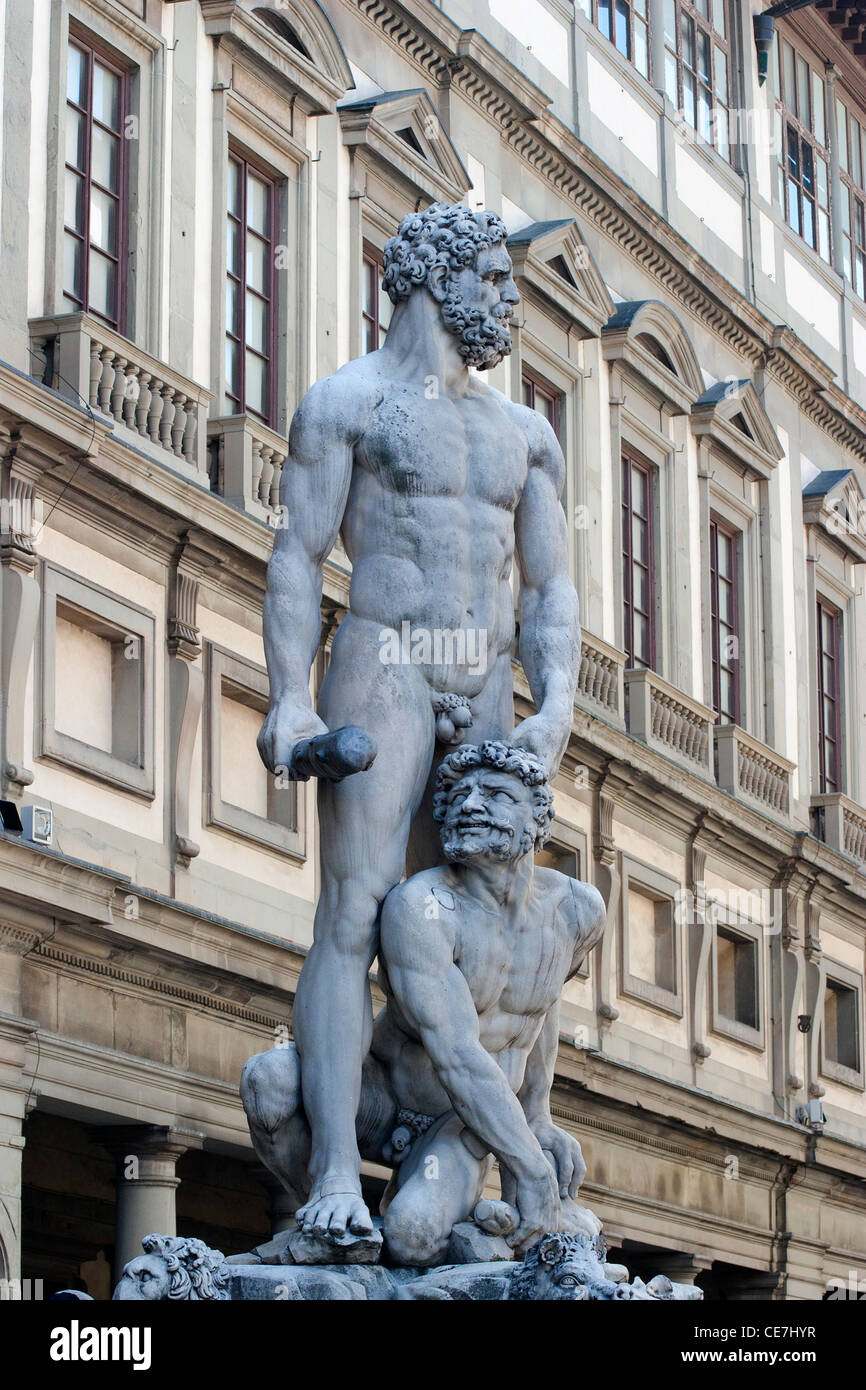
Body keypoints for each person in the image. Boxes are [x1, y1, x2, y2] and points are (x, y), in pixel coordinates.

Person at [256, 202, 581, 1242]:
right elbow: (298, 557)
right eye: (491, 275)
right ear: (433, 276)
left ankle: (474, 1154)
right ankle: (337, 1177)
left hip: (481, 685)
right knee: (353, 914)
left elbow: (549, 592)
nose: (508, 297)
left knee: (477, 927)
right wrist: (291, 697)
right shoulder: (346, 403)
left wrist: (556, 710)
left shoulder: (525, 435)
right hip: (386, 661)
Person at [242, 742, 605, 1264]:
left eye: (496, 795)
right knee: (269, 1080)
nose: (471, 805)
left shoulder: (577, 909)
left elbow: (539, 1010)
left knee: (413, 1237)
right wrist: (531, 1168)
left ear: (538, 815)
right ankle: (334, 1226)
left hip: (459, 1122)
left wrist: (538, 1116)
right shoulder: (423, 907)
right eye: (459, 794)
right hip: (380, 1101)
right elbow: (456, 1053)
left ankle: (435, 1229)